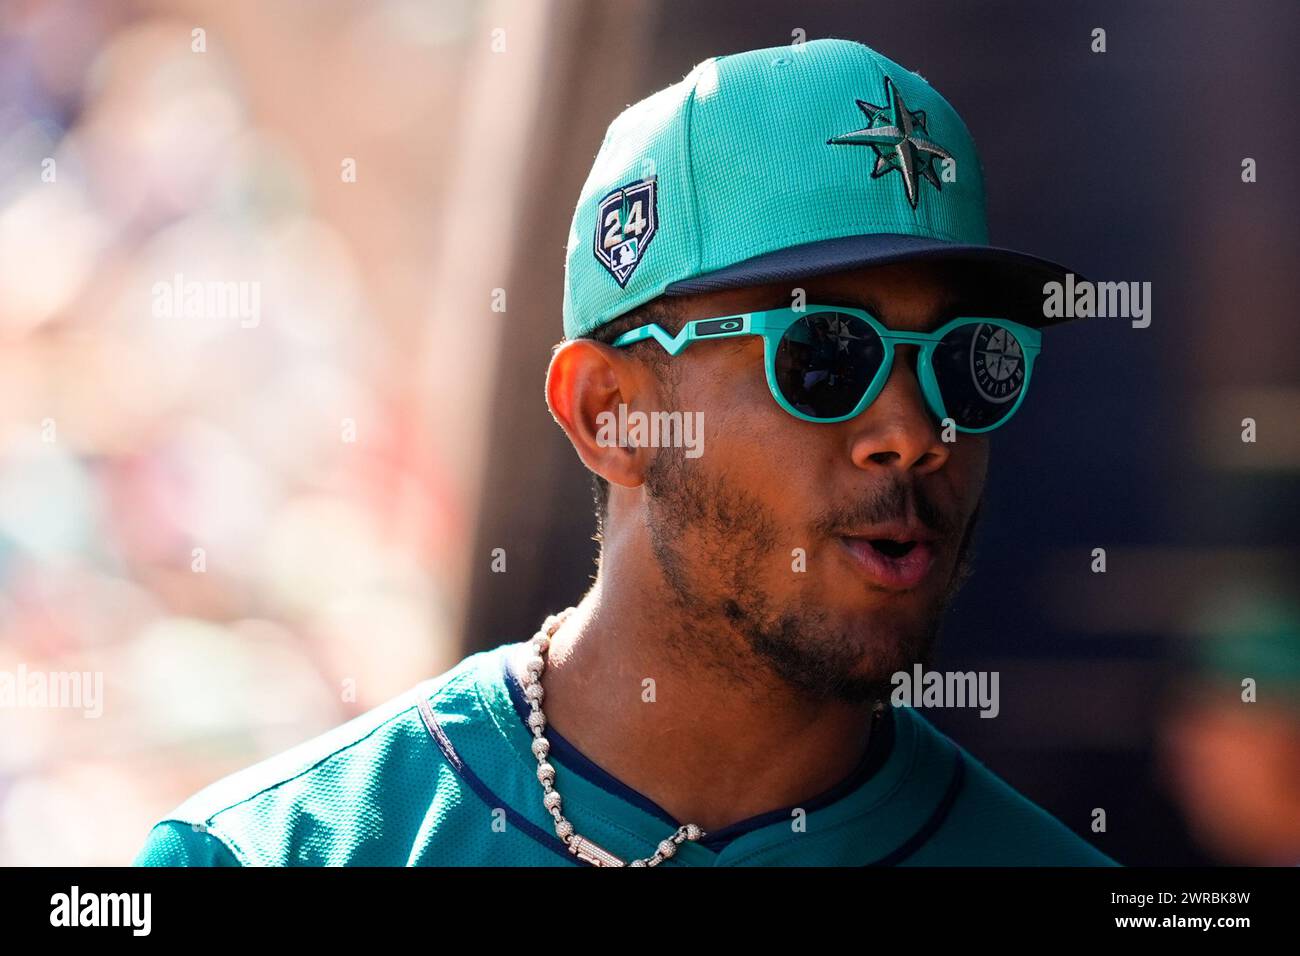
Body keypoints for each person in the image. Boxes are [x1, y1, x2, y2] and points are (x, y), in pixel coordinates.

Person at [135, 37, 1114, 867]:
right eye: (825, 353)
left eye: (966, 364)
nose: (911, 433)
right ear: (609, 411)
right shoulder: (276, 850)